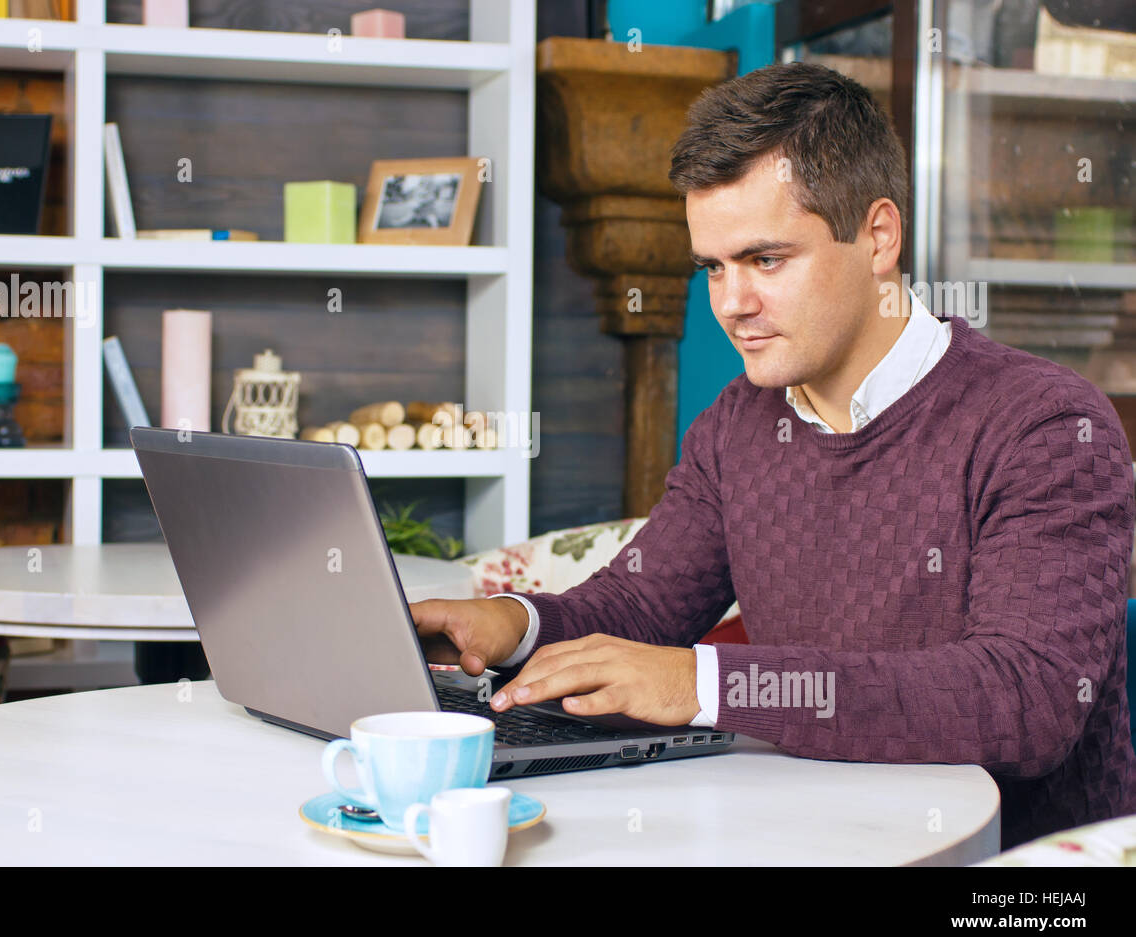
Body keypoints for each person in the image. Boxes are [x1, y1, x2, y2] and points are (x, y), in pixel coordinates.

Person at [409, 61, 1136, 850]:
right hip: (811, 837)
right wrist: (509, 625)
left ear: (878, 237)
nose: (730, 304)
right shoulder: (740, 424)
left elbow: (1028, 700)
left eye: (766, 260)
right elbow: (643, 609)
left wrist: (707, 683)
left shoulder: (1047, 427)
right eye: (713, 267)